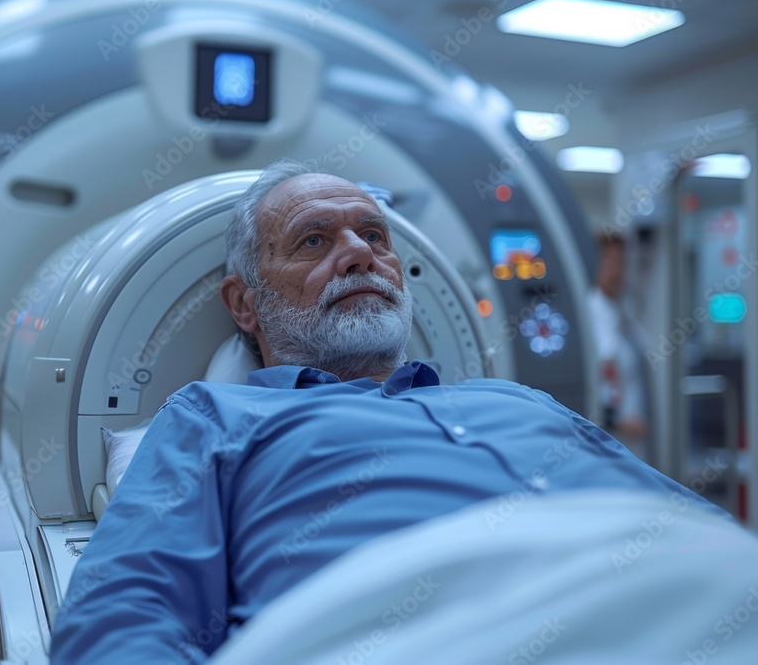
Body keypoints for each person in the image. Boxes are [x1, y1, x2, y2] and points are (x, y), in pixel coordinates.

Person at [50, 160, 725, 664]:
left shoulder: (516, 403)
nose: (358, 252)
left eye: (373, 234)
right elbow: (122, 614)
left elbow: (693, 527)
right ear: (245, 303)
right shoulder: (211, 420)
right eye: (314, 241)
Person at [587, 233, 650, 452]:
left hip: (631, 437)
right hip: (613, 436)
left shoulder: (622, 310)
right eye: (611, 262)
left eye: (621, 262)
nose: (617, 272)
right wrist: (618, 422)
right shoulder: (591, 311)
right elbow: (599, 377)